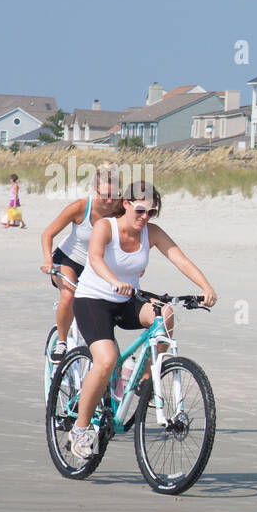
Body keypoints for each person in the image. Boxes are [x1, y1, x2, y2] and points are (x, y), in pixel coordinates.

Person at [67, 181, 217, 460]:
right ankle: (81, 428)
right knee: (106, 360)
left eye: (151, 212)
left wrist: (206, 288)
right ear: (125, 204)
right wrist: (114, 281)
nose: (144, 218)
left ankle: (145, 376)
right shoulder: (106, 227)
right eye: (140, 211)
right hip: (93, 300)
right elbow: (96, 259)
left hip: (126, 301)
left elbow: (180, 259)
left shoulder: (151, 233)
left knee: (165, 313)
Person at [39, 163, 125, 360]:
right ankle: (61, 341)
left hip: (95, 267)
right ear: (95, 191)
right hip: (68, 260)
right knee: (69, 297)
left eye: (115, 195)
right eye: (105, 195)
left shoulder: (119, 211)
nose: (110, 201)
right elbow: (47, 234)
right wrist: (47, 259)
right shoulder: (80, 207)